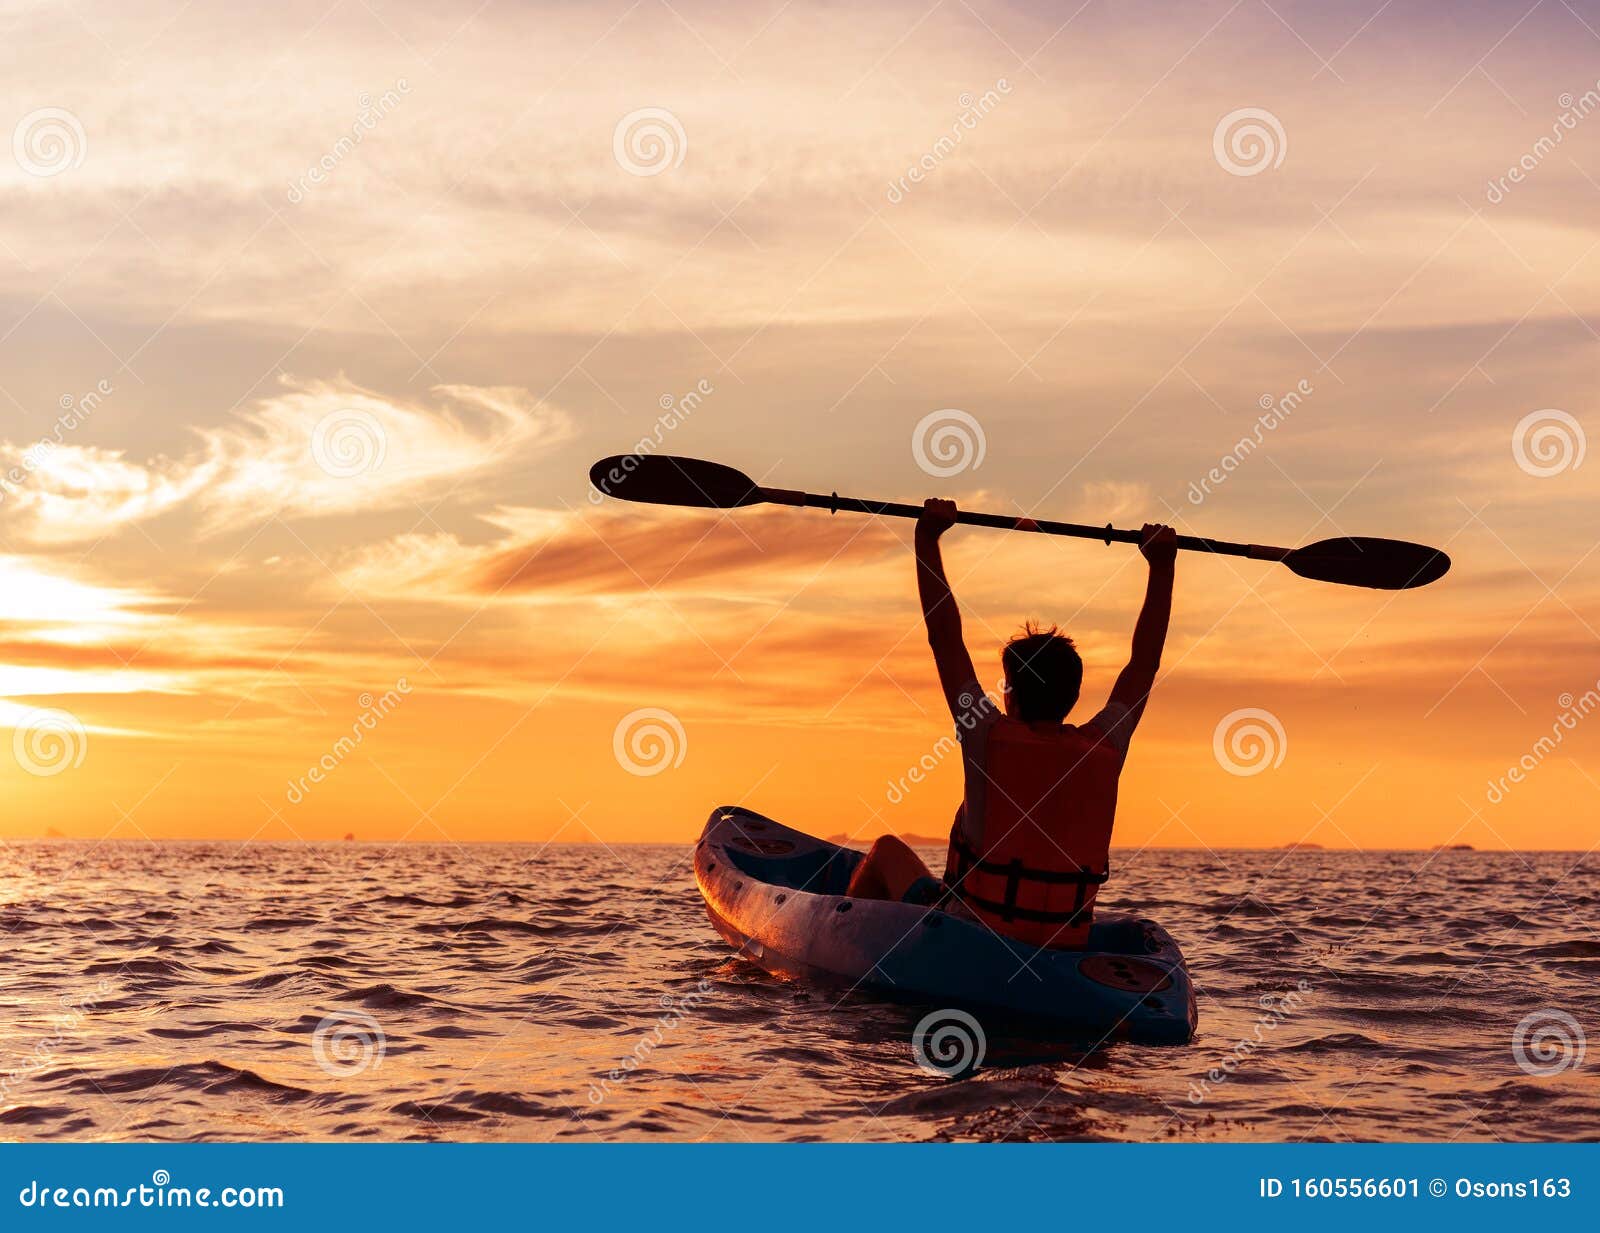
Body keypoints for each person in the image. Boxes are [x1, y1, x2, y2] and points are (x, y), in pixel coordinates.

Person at [843, 497, 1177, 949]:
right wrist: (1162, 564)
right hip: (1065, 941)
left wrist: (926, 537)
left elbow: (944, 638)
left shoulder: (984, 734)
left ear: (1011, 694)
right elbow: (1144, 664)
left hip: (974, 934)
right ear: (1074, 695)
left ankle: (847, 951)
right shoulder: (1107, 744)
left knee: (885, 850)